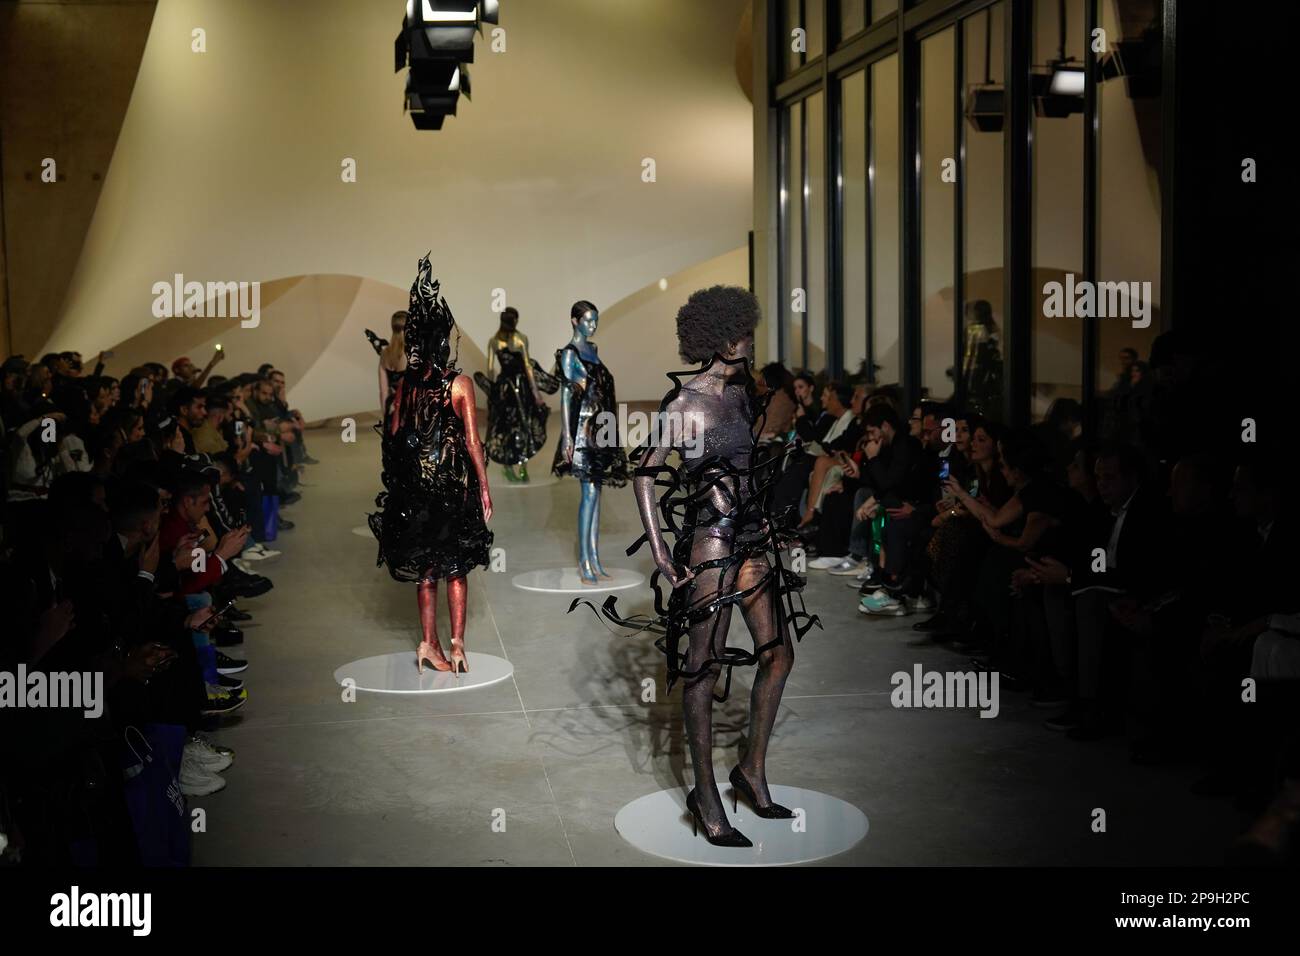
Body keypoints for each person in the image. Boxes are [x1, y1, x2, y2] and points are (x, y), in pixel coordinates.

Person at [572, 285, 819, 847]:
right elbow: (644, 470)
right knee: (702, 668)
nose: (751, 341)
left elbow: (748, 456)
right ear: (720, 337)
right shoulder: (685, 405)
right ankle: (705, 796)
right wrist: (659, 551)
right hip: (709, 541)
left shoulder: (743, 396)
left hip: (753, 536)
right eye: (745, 333)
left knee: (778, 654)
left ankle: (751, 770)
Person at [368, 255, 493, 674]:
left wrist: (400, 484)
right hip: (451, 487)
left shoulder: (406, 383)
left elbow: (397, 434)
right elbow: (473, 442)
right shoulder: (459, 384)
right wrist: (485, 487)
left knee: (426, 568)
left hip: (415, 488)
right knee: (456, 566)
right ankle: (457, 646)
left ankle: (427, 643)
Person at [553, 299, 629, 583]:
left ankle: (595, 558)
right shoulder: (570, 354)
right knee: (589, 494)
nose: (593, 325)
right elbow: (565, 396)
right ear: (574, 321)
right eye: (588, 320)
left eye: (595, 320)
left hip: (602, 429)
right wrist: (567, 437)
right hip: (584, 430)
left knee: (598, 493)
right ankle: (584, 561)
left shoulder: (593, 350)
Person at [476, 306, 558, 482]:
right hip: (519, 388)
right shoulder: (520, 339)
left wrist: (493, 391)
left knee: (509, 426)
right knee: (522, 424)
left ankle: (512, 467)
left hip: (505, 388)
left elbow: (490, 369)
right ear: (516, 321)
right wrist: (536, 393)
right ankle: (520, 468)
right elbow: (527, 367)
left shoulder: (494, 341)